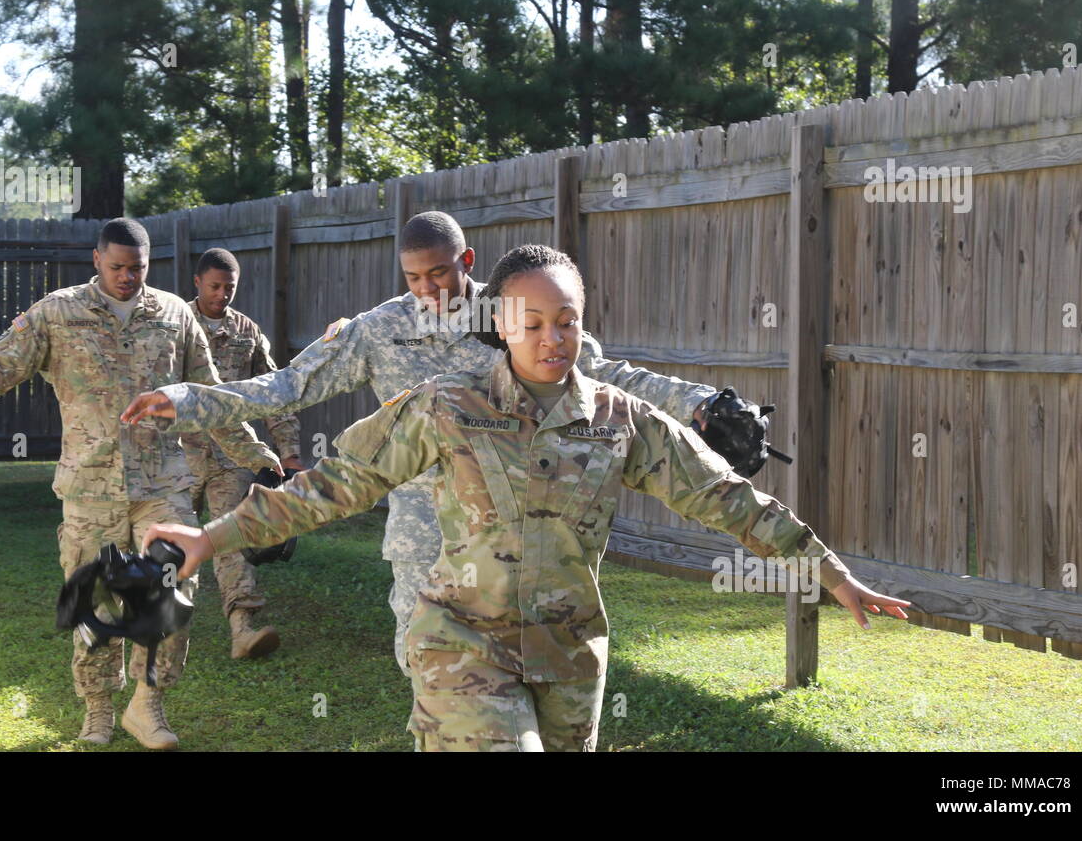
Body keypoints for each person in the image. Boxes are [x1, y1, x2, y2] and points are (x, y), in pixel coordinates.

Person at [143, 244, 911, 751]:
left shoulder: (620, 422)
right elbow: (334, 484)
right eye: (533, 322)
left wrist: (828, 571)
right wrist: (213, 538)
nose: (552, 338)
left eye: (566, 322)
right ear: (500, 323)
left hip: (570, 653)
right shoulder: (444, 408)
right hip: (459, 642)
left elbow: (725, 497)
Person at [122, 211, 732, 676]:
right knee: (426, 666)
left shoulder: (515, 313)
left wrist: (699, 403)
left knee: (516, 669)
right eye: (413, 277)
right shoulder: (378, 330)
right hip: (419, 526)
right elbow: (287, 387)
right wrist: (187, 400)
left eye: (439, 272)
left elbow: (608, 377)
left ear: (466, 259)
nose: (427, 288)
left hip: (508, 523)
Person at [0, 218, 282, 750]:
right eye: (117, 267)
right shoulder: (58, 312)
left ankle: (148, 706)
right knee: (99, 609)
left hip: (163, 484)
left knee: (171, 593)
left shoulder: (173, 315)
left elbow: (208, 397)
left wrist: (258, 455)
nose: (126, 277)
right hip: (90, 487)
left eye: (137, 268)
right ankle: (98, 710)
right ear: (97, 260)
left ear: (149, 265)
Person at [185, 247, 304, 659]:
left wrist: (288, 453)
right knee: (165, 542)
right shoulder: (174, 325)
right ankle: (141, 621)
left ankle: (242, 629)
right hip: (176, 457)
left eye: (229, 288)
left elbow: (273, 394)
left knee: (231, 538)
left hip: (232, 456)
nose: (221, 294)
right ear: (197, 282)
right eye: (214, 286)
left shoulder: (247, 333)